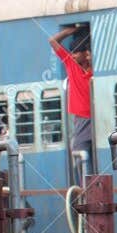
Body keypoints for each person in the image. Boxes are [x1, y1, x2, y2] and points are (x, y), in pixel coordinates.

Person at [49, 25, 93, 162]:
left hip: (95, 116)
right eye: (72, 52)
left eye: (76, 53)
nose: (72, 56)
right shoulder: (71, 65)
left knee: (82, 151)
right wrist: (69, 31)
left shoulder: (94, 70)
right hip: (81, 118)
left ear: (86, 54)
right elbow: (53, 41)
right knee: (80, 152)